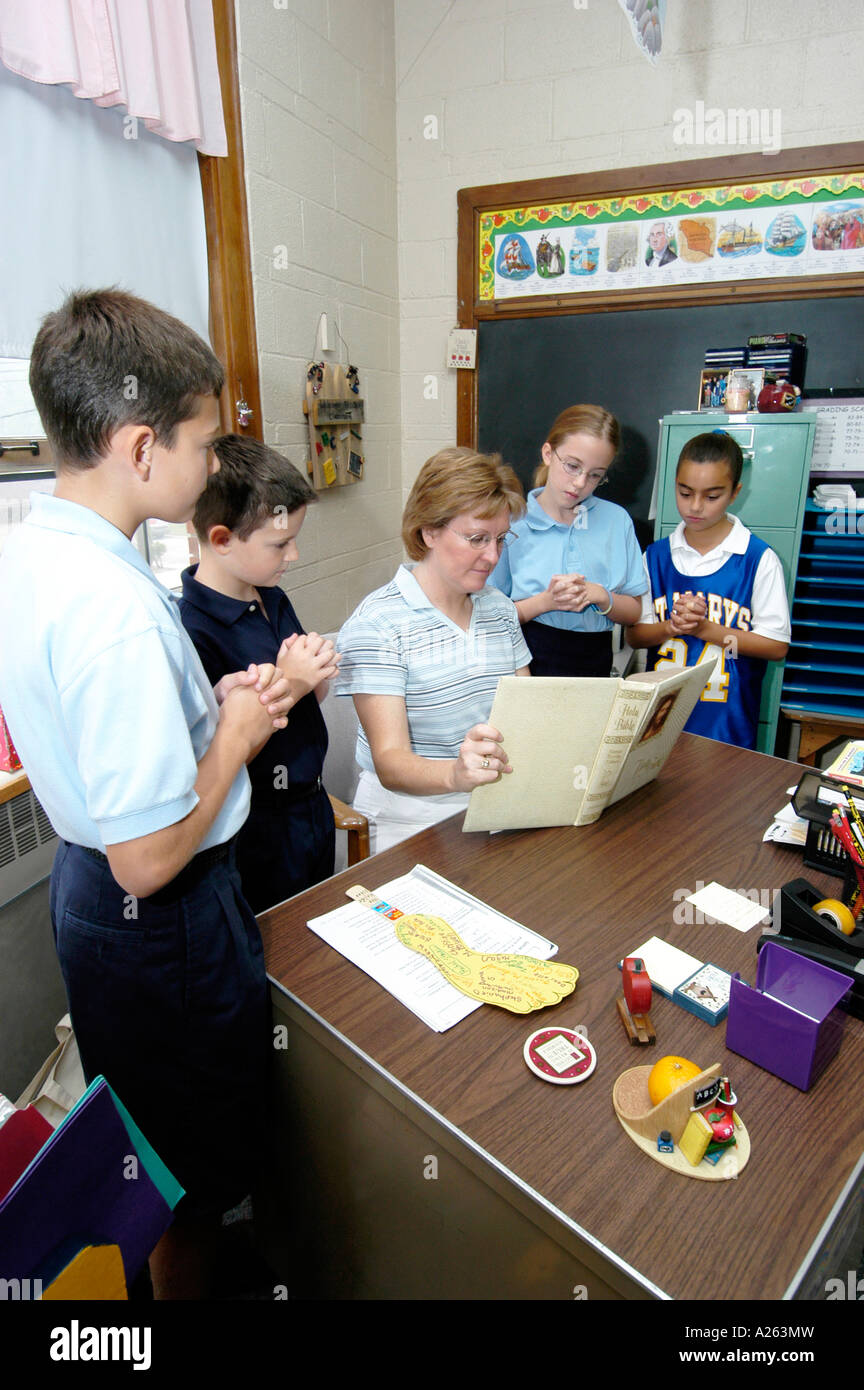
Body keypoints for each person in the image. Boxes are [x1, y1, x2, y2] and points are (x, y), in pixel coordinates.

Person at [0, 289, 294, 1298]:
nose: (214, 465)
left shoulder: (33, 551)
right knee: (192, 1172)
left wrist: (202, 712)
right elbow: (152, 853)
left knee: (148, 1142)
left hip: (88, 894)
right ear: (138, 447)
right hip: (158, 912)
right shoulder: (117, 606)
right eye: (204, 442)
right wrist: (243, 737)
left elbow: (99, 741)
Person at [336, 447, 531, 853]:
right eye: (477, 538)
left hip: (495, 802)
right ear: (428, 532)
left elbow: (524, 713)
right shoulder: (378, 623)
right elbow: (391, 763)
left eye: (500, 539)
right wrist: (456, 776)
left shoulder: (497, 608)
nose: (492, 556)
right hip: (410, 819)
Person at [179, 435, 340, 914]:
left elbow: (308, 696)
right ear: (222, 539)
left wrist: (315, 674)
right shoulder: (193, 630)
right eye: (279, 544)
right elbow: (220, 756)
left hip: (310, 800)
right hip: (259, 826)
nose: (293, 556)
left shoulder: (269, 594)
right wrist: (290, 683)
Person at [626, 431, 790, 750]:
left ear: (735, 492)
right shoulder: (655, 557)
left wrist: (704, 629)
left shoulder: (758, 560)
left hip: (727, 731)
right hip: (660, 728)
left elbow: (776, 647)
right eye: (685, 493)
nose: (695, 506)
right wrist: (671, 626)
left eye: (712, 496)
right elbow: (636, 636)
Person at [489, 405, 646, 676]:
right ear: (548, 453)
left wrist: (600, 595)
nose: (579, 483)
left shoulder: (616, 520)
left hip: (594, 660)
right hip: (526, 658)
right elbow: (489, 617)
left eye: (595, 475)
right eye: (572, 466)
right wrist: (547, 601)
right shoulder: (513, 521)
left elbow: (634, 612)